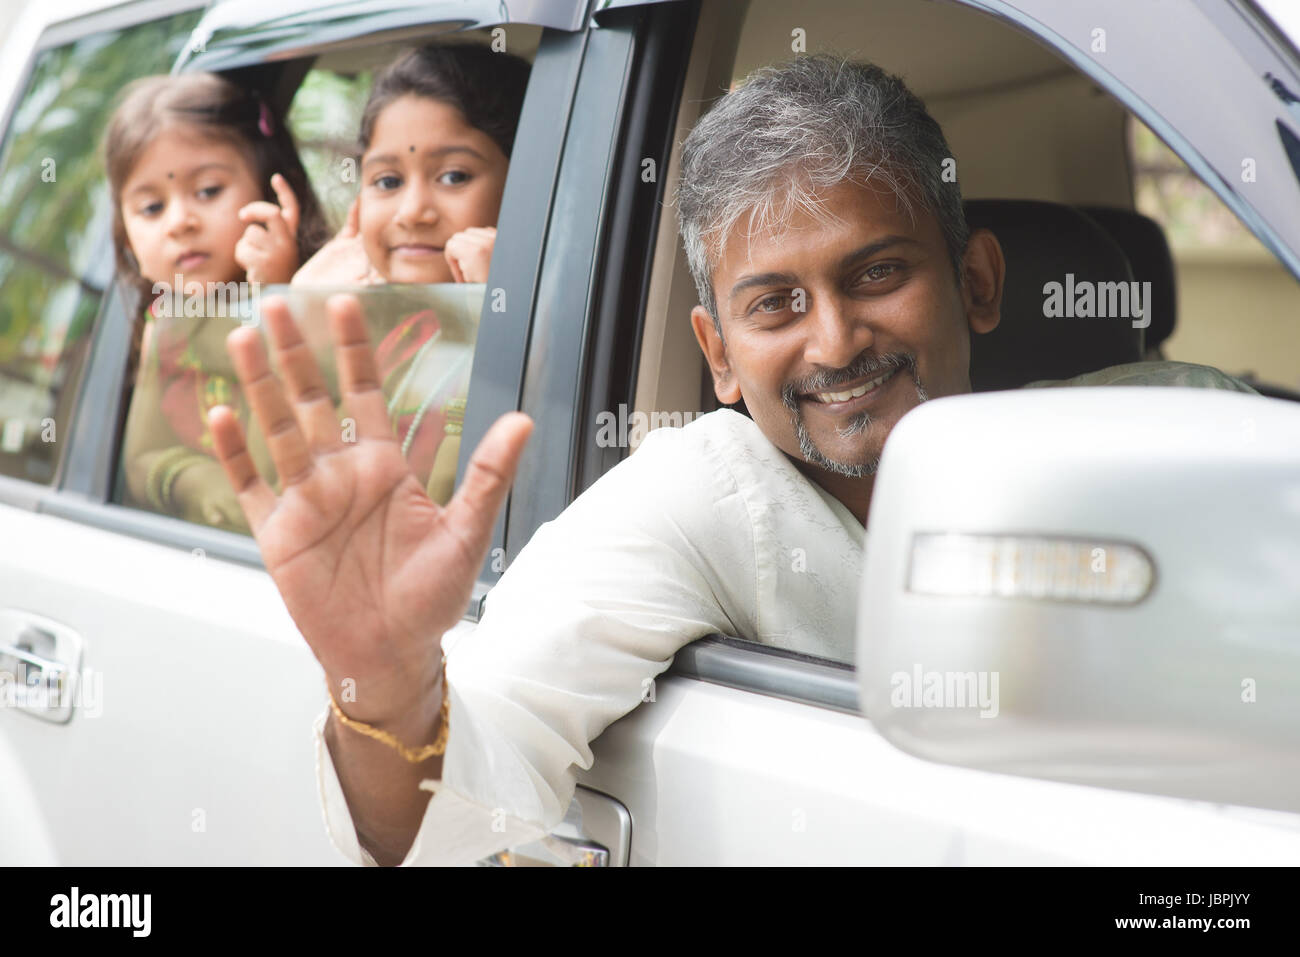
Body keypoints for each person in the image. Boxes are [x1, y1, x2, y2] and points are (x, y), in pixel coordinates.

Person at [206, 55, 1254, 866]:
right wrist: (385, 685)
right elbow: (482, 782)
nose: (836, 341)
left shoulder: (1177, 429)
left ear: (976, 281)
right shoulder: (701, 498)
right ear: (717, 355)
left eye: (878, 273)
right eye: (774, 305)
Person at [291, 43, 531, 503]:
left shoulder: (546, 340)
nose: (412, 211)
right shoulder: (375, 333)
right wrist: (304, 311)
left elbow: (460, 497)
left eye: (454, 176)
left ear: (526, 183)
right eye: (388, 181)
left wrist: (491, 319)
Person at [105, 72, 328, 529]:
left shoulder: (329, 292)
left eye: (208, 191)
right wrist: (200, 485)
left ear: (270, 191)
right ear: (125, 235)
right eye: (151, 208)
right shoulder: (161, 328)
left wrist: (280, 292)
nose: (180, 222)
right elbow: (143, 460)